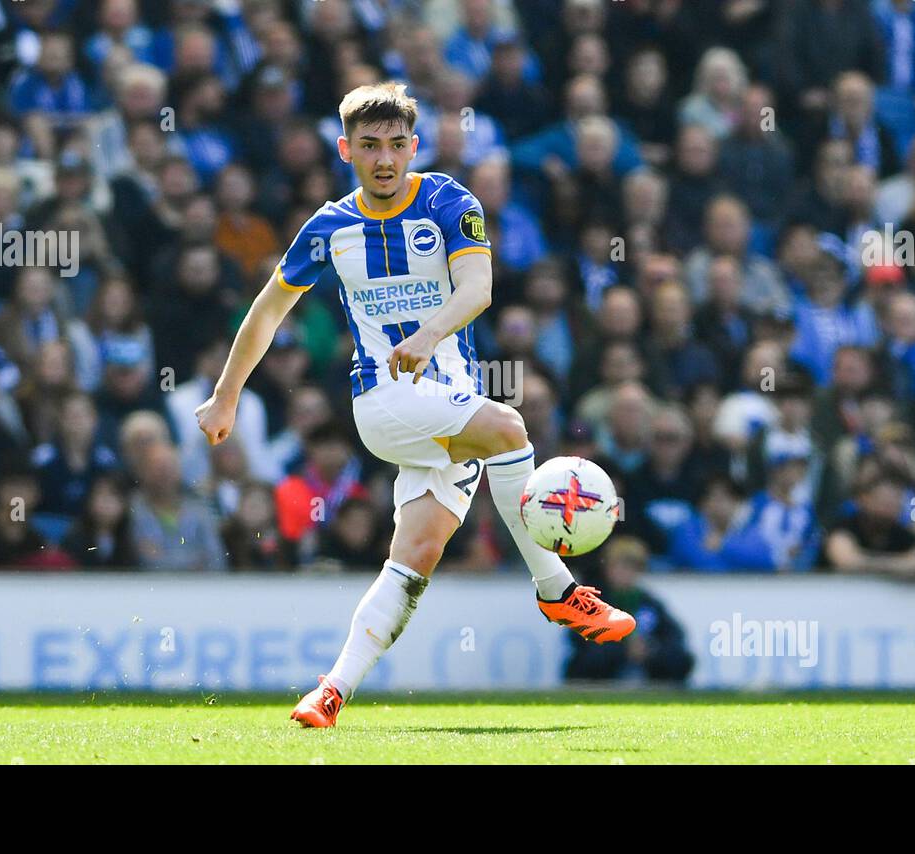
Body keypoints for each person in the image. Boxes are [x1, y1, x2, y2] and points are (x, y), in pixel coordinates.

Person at [195, 83, 635, 727]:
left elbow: (479, 286)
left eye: (396, 145)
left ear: (413, 147)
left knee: (414, 560)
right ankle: (557, 590)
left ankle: (330, 692)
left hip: (450, 402)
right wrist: (225, 395)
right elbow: (267, 311)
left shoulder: (448, 201)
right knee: (511, 429)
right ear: (346, 150)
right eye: (369, 146)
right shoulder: (330, 227)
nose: (384, 160)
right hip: (383, 401)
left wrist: (431, 335)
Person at [563, 537, 694, 684]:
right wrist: (624, 650)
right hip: (605, 671)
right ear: (608, 568)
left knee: (680, 658)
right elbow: (581, 644)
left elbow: (674, 636)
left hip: (645, 665)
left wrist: (650, 649)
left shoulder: (647, 602)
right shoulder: (591, 602)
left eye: (633, 568)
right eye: (622, 567)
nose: (627, 574)